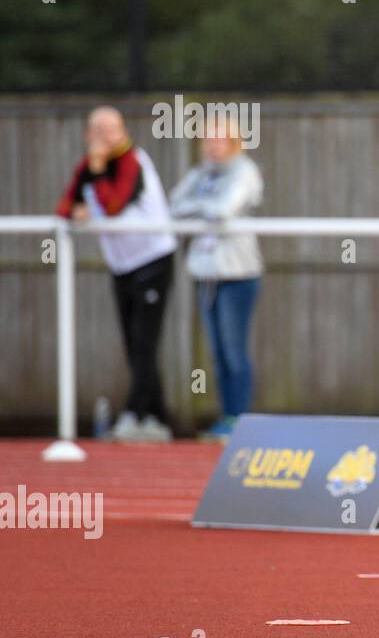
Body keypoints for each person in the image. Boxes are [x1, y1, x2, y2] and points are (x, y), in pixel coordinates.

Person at [55, 107, 178, 442]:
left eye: (110, 130)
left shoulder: (131, 161)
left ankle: (137, 414)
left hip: (152, 259)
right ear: (87, 134)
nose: (103, 138)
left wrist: (96, 173)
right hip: (122, 265)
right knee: (132, 343)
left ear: (122, 131)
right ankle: (156, 417)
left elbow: (112, 206)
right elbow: (64, 206)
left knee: (144, 341)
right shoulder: (88, 166)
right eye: (97, 130)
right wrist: (78, 205)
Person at [170, 115, 265, 443]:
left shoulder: (245, 171)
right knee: (218, 352)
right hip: (205, 274)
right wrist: (203, 207)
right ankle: (227, 416)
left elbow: (224, 210)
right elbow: (173, 207)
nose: (211, 145)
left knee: (234, 349)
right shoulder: (199, 175)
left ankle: (240, 419)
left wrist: (198, 208)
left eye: (218, 139)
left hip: (237, 274)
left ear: (233, 142)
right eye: (207, 139)